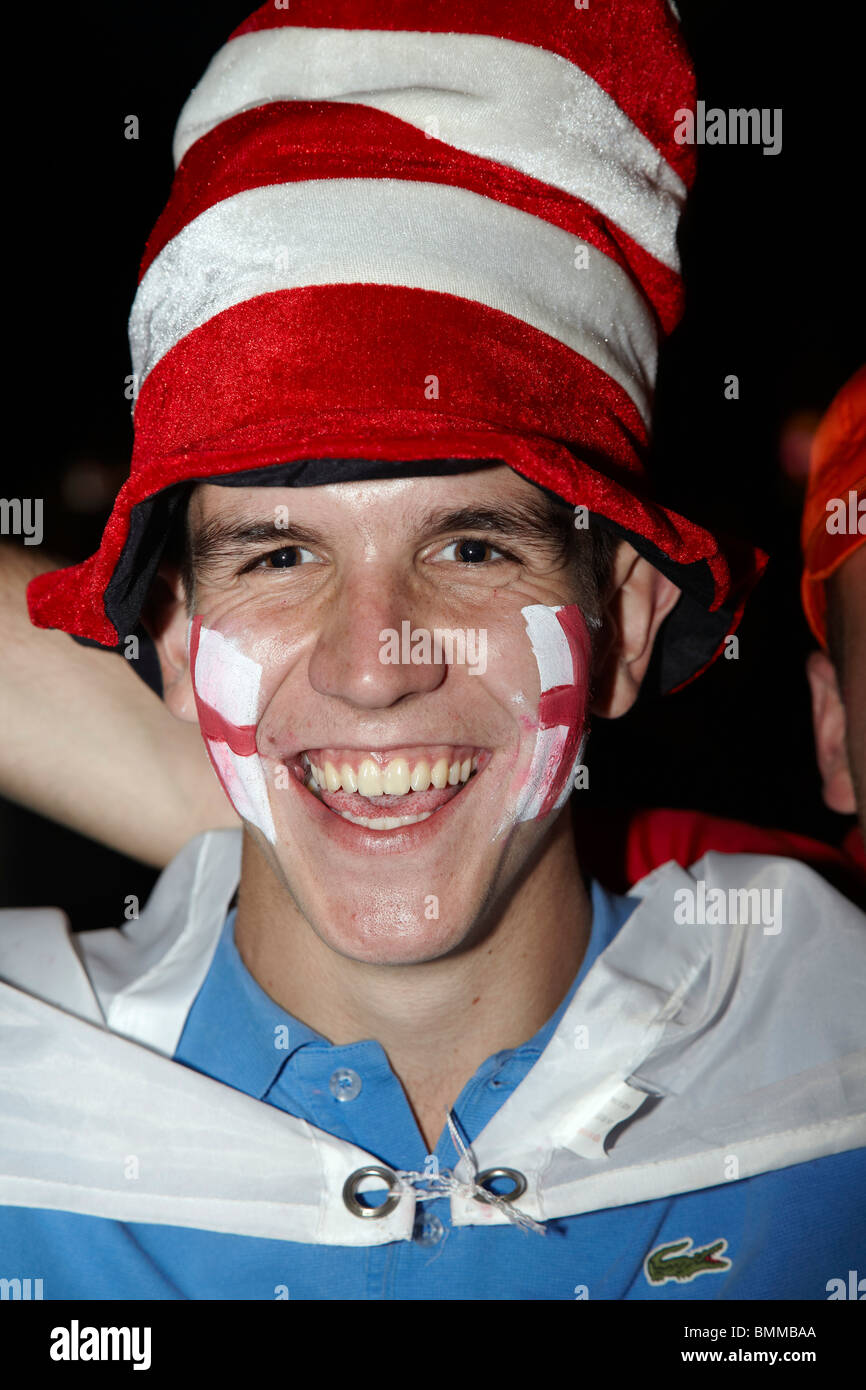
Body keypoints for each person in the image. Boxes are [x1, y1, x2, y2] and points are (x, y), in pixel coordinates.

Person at [1, 1, 864, 1301]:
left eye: (472, 547)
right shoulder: (28, 1110)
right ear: (171, 641)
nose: (372, 658)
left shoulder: (831, 1064)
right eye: (280, 555)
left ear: (622, 624)